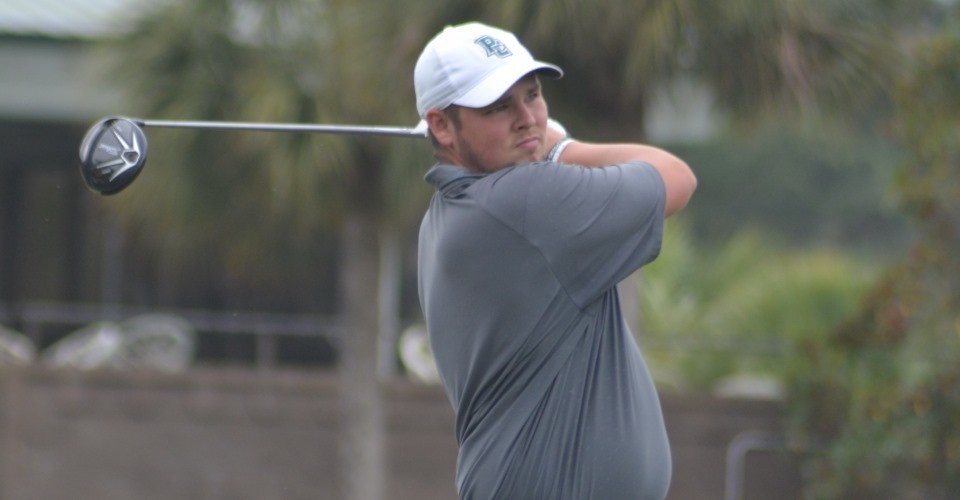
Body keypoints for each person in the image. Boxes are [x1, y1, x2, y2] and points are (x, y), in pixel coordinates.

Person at [414, 22, 697, 500]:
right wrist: (562, 148)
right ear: (441, 125)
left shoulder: (444, 217)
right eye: (498, 106)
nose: (527, 118)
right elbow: (677, 177)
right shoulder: (525, 203)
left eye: (532, 95)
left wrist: (540, 149)